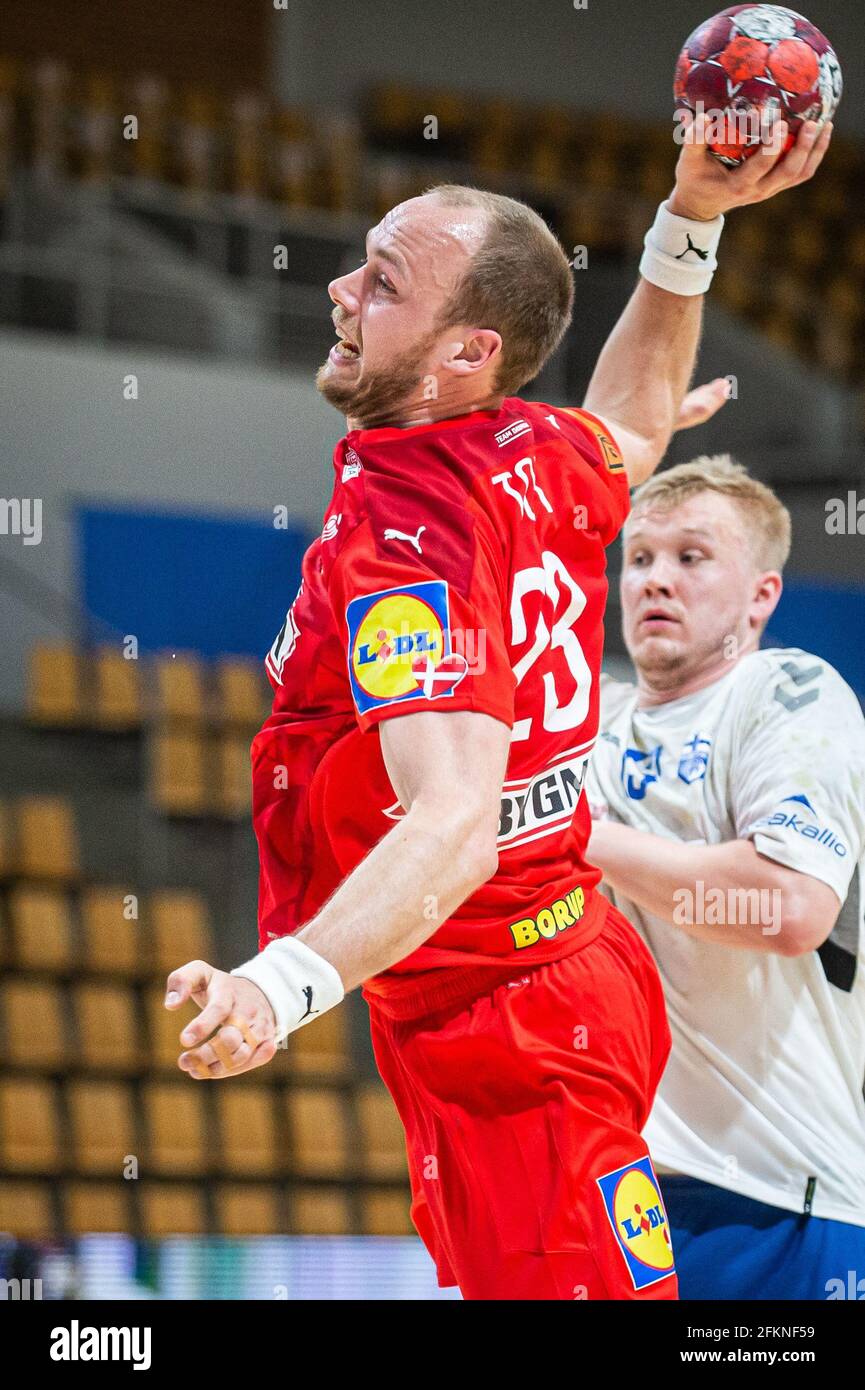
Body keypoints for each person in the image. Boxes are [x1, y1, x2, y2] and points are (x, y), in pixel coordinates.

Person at [163, 113, 832, 1299]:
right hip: (530, 975)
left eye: (379, 284)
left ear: (465, 352)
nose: (337, 291)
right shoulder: (526, 441)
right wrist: (689, 224)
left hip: (512, 1021)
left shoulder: (407, 538)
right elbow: (632, 424)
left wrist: (278, 986)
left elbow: (455, 818)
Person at [586, 454, 865, 1300]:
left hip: (779, 1189)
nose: (653, 581)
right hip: (623, 1186)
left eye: (690, 558)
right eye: (638, 558)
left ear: (761, 596)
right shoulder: (590, 719)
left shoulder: (786, 693)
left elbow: (784, 906)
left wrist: (575, 836)